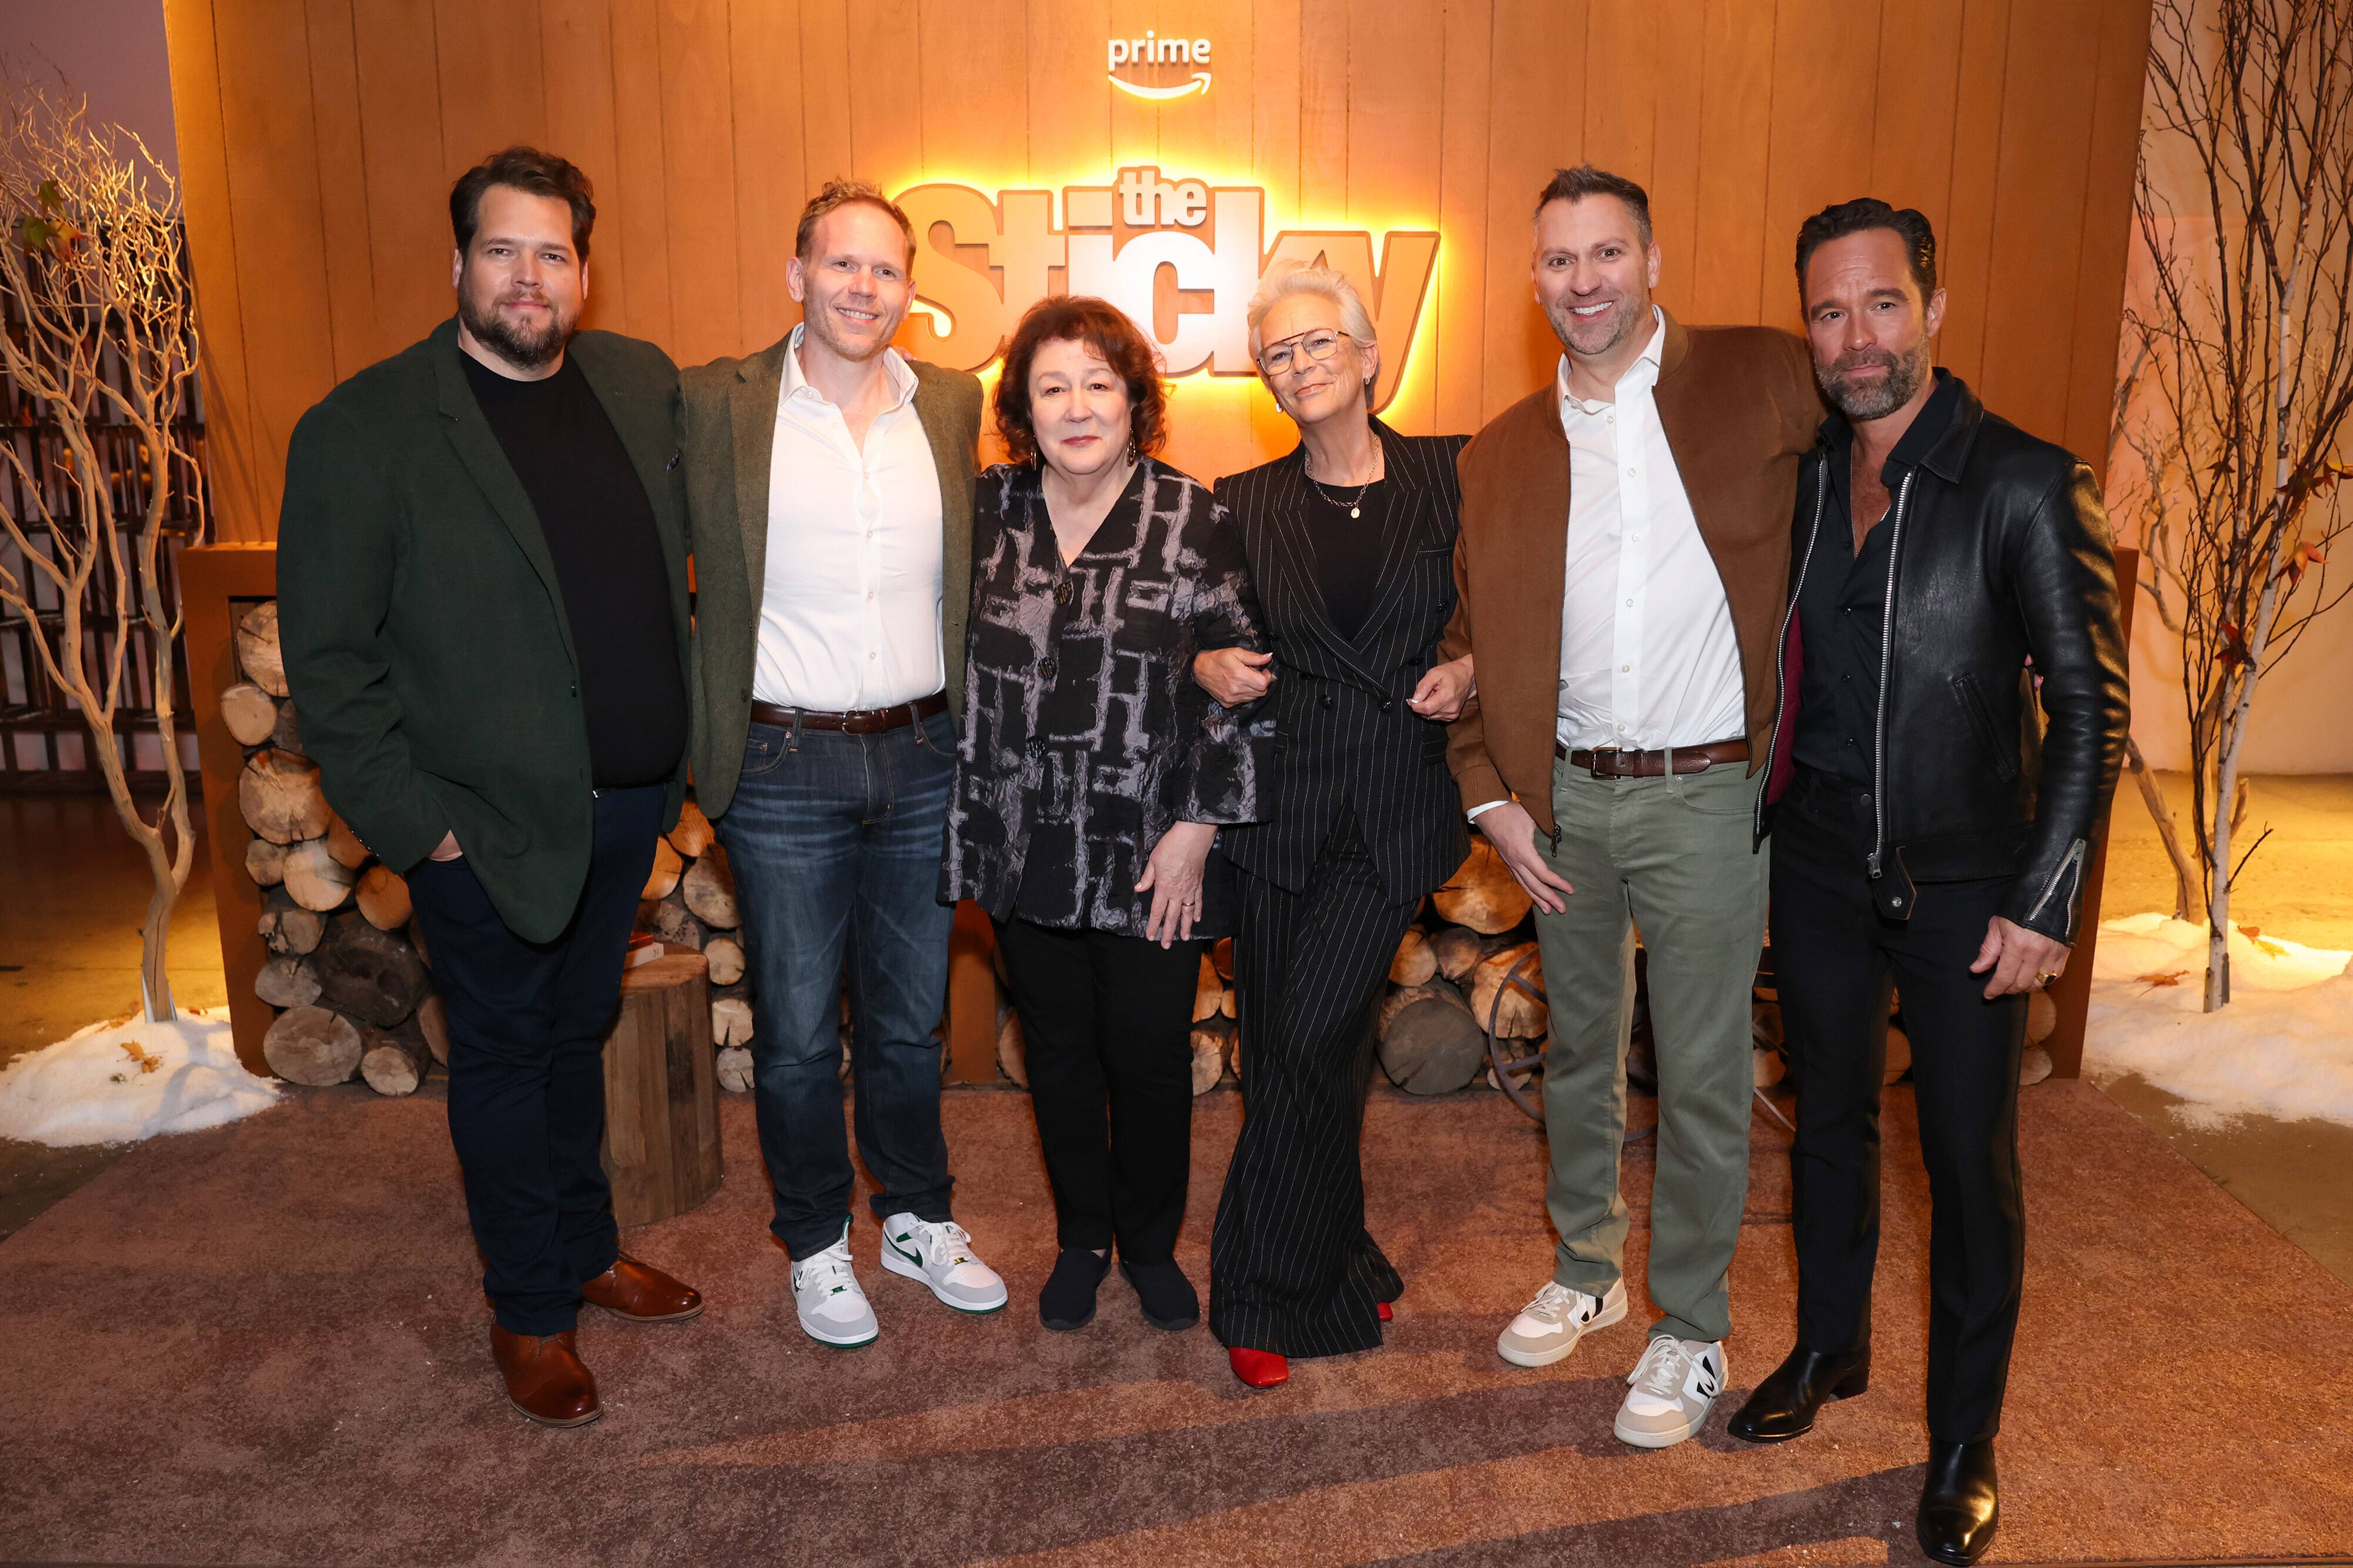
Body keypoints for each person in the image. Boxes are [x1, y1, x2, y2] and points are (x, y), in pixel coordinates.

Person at [277, 147, 702, 1429]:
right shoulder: (365, 427)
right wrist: (424, 831)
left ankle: (583, 1247)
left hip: (628, 805)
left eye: (554, 253)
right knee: (508, 1061)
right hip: (485, 824)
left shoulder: (636, 384)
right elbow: (331, 666)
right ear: (458, 262)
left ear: (585, 269)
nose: (530, 277)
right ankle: (530, 1310)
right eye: (503, 250)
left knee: (573, 1039)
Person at [1728, 199, 2126, 1566]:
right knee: (1825, 1128)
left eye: (1880, 304)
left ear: (1932, 310)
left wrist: (2047, 896)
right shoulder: (1801, 479)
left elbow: (2090, 710)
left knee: (1966, 1165)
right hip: (1820, 861)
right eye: (1829, 312)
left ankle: (1962, 1438)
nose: (1856, 338)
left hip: (1969, 884)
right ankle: (1830, 1348)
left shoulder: (2023, 480)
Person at [1442, 165, 1822, 1447]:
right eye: (1558, 261)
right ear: (1533, 277)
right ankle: (1589, 1270)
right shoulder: (1498, 451)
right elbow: (1463, 646)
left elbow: (1887, 454)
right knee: (1575, 1058)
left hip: (1709, 790)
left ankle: (1688, 1324)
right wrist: (1492, 799)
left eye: (1606, 254)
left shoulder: (1761, 375)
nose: (1583, 282)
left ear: (1651, 259)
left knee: (1704, 1072)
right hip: (1562, 805)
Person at [679, 179, 1004, 1349]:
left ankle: (915, 1217)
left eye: (884, 270)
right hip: (781, 767)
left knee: (911, 1024)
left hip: (923, 757)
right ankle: (817, 1240)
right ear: (795, 276)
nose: (863, 287)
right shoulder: (720, 405)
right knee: (801, 1030)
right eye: (840, 265)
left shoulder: (952, 405)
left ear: (910, 291)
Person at [944, 295, 1266, 1335]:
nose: (1077, 406)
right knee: (1060, 1052)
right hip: (1021, 838)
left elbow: (1243, 682)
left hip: (1150, 844)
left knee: (1146, 1050)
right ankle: (1083, 1237)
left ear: (1135, 400)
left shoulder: (1194, 517)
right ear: (1022, 409)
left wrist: (1198, 830)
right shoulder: (985, 512)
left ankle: (1151, 1243)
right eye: (1052, 386)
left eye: (1098, 383)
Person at [1191, 264, 1475, 1390]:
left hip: (1392, 805)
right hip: (1277, 809)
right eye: (1278, 354)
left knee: (1307, 1043)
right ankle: (1344, 1249)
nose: (1300, 365)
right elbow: (1193, 624)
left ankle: (1260, 1290)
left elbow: (1515, 608)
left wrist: (1472, 667)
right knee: (1299, 1052)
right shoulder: (1242, 499)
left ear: (1367, 355)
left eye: (1318, 344)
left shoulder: (1453, 474)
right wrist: (1200, 660)